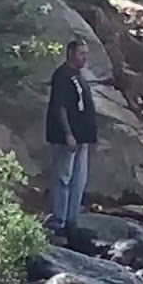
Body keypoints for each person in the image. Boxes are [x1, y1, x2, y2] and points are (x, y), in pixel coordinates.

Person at [44, 40, 97, 237]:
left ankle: (71, 218)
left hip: (82, 137)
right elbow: (60, 106)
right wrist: (68, 134)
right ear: (70, 54)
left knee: (78, 180)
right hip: (67, 138)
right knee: (63, 178)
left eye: (86, 54)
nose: (85, 58)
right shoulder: (62, 76)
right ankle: (59, 218)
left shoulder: (79, 76)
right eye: (81, 54)